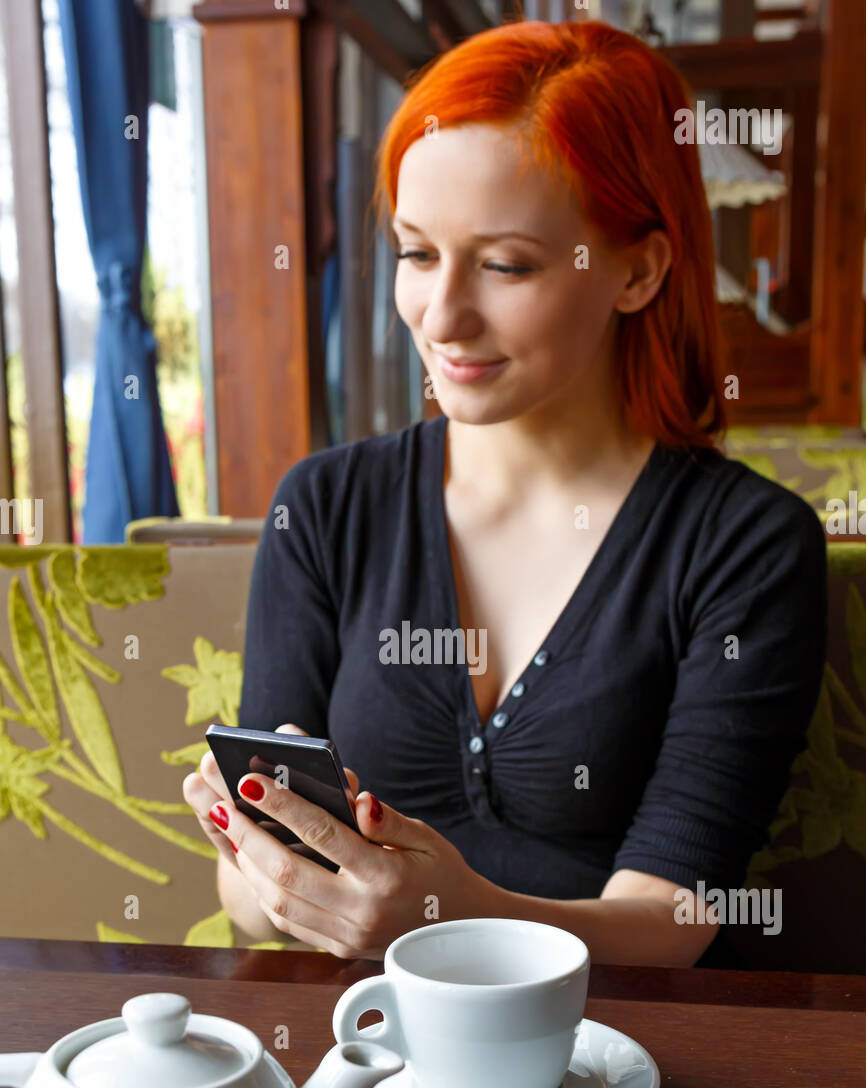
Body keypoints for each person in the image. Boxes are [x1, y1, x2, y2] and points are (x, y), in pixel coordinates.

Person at [183, 20, 826, 967]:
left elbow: (672, 924)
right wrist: (265, 852)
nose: (441, 318)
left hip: (620, 1062)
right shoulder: (324, 508)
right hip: (367, 1055)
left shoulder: (747, 544)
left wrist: (459, 915)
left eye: (507, 264)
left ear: (639, 270)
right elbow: (243, 898)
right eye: (416, 253)